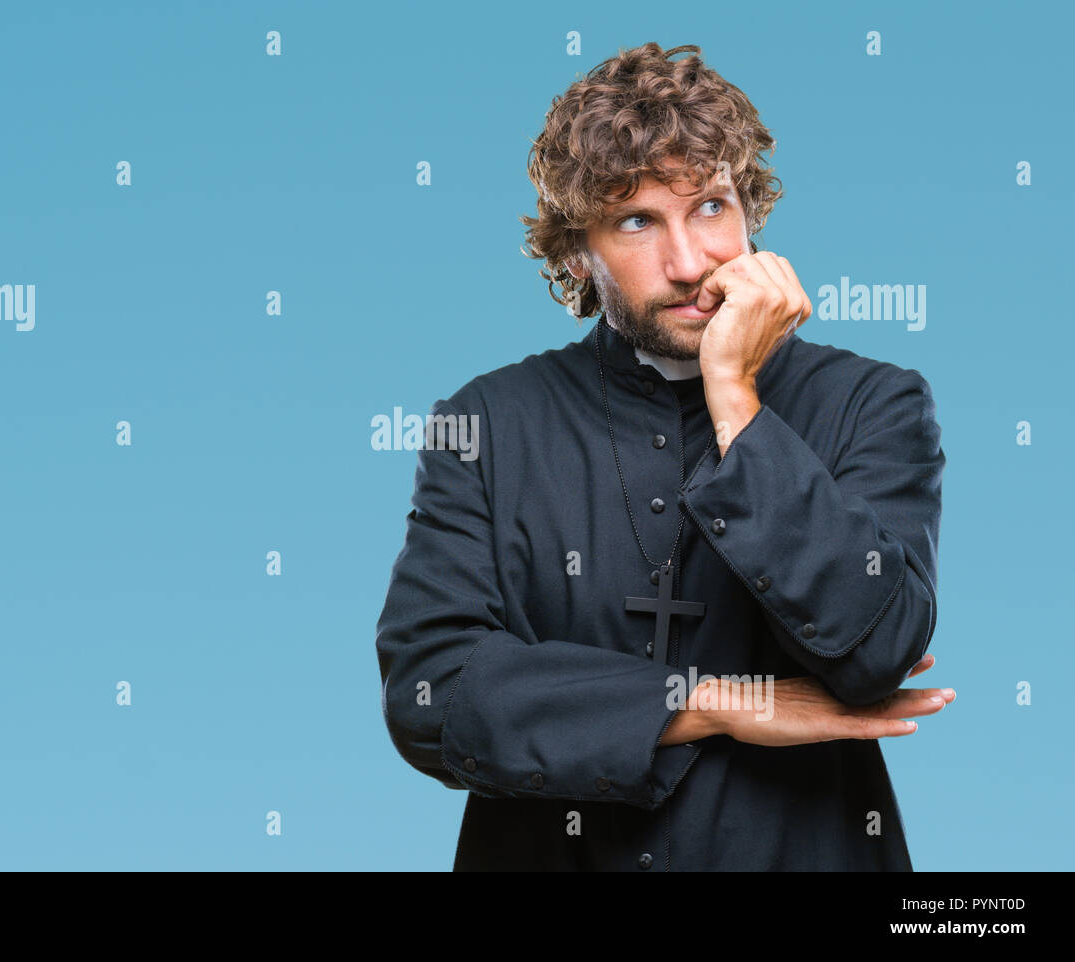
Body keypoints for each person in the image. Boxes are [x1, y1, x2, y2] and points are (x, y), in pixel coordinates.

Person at [374, 42, 951, 871]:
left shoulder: (875, 402)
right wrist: (711, 702)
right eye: (636, 221)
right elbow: (431, 693)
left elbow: (877, 649)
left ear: (749, 210)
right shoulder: (485, 422)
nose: (689, 265)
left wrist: (735, 395)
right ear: (577, 254)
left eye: (711, 207)